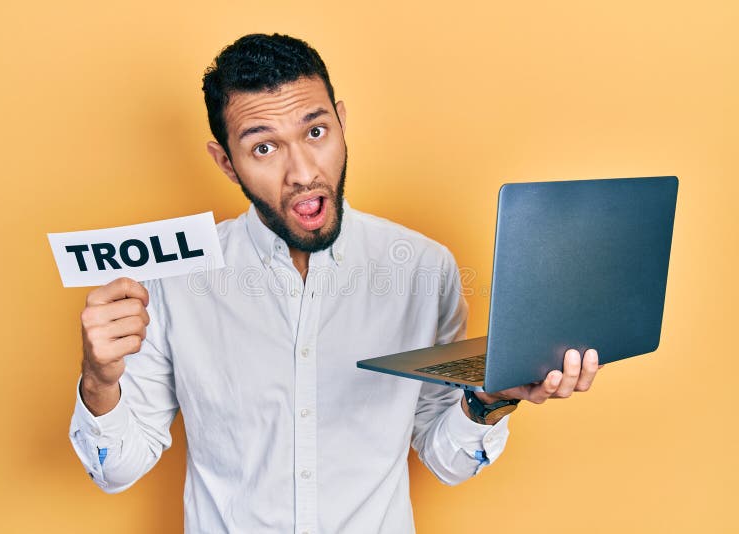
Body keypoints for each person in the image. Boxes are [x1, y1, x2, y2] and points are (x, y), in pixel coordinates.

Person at [70, 33, 600, 533]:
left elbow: (447, 462)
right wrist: (99, 379)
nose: (302, 171)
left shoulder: (423, 267)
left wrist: (489, 400)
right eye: (263, 148)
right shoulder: (173, 280)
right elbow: (115, 468)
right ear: (226, 163)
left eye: (315, 132)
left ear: (342, 123)